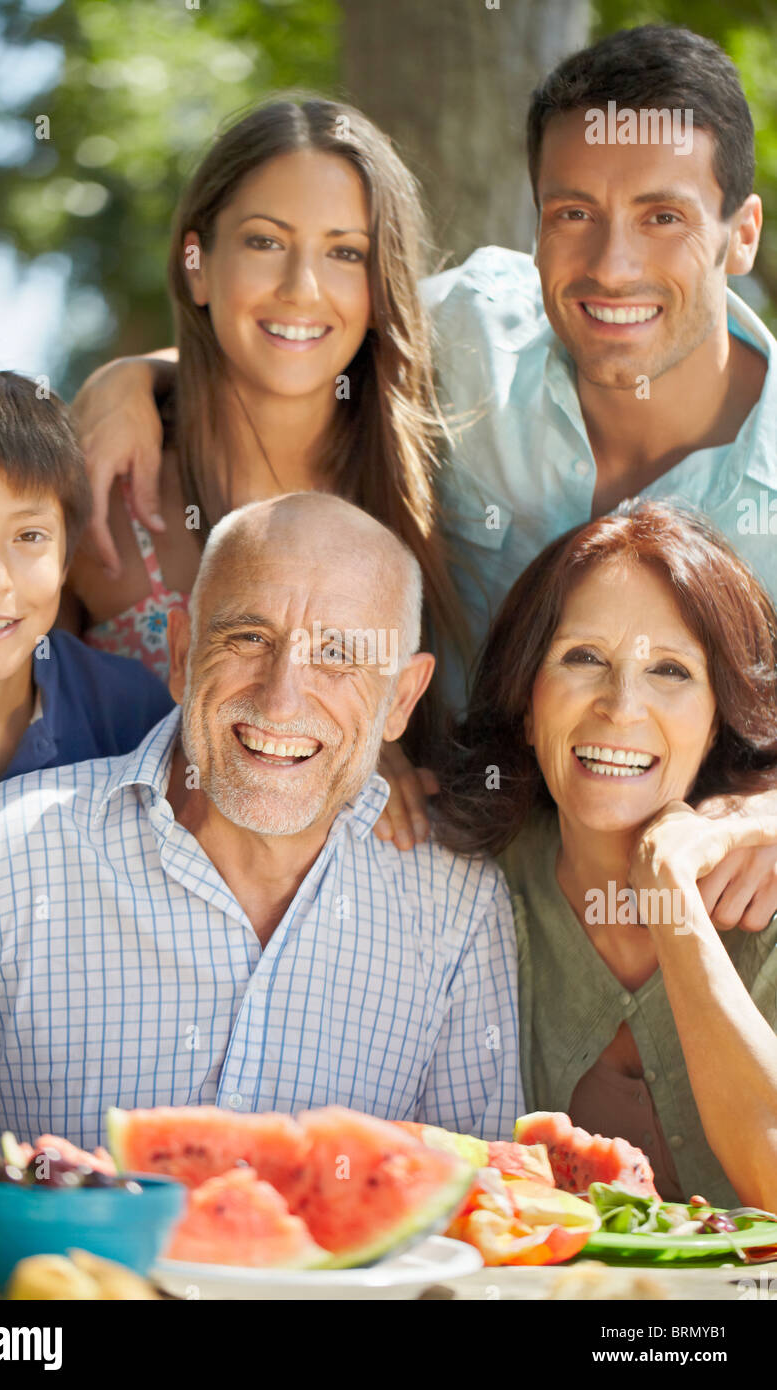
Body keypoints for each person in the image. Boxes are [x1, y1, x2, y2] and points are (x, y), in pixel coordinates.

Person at [70, 26, 777, 902]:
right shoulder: (475, 336)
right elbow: (301, 339)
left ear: (740, 234)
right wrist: (131, 382)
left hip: (664, 910)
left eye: (662, 217)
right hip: (426, 873)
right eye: (573, 214)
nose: (612, 265)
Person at [0, 493, 523, 1155]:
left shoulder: (457, 911)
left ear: (402, 698)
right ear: (181, 655)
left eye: (338, 655)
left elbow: (480, 1203)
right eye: (250, 638)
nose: (281, 696)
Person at [61, 94, 469, 815]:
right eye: (265, 241)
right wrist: (123, 381)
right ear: (196, 264)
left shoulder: (424, 491)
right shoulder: (102, 484)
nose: (301, 288)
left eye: (346, 252)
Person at [438, 501, 777, 1210]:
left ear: (720, 720)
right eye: (584, 658)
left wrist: (671, 894)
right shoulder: (463, 892)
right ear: (528, 706)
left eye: (672, 671)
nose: (621, 706)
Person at [0, 358, 174, 1158]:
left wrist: (135, 374)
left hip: (88, 1194)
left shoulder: (131, 714)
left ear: (67, 555)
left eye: (28, 537)